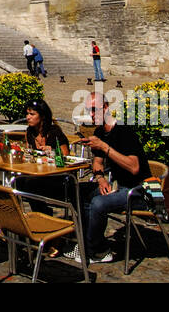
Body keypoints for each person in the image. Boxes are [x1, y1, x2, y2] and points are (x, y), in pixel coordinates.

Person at [62, 92, 151, 264]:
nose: (92, 114)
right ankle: (97, 245)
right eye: (89, 110)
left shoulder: (124, 131)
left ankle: (93, 249)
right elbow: (97, 163)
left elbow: (134, 167)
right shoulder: (100, 131)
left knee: (98, 203)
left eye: (95, 110)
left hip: (139, 190)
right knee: (77, 191)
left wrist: (104, 147)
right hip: (117, 185)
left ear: (106, 107)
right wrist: (100, 178)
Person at [17, 99, 75, 210]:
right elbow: (30, 153)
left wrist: (53, 151)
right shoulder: (30, 132)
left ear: (42, 116)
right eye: (27, 114)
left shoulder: (54, 132)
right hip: (40, 174)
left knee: (30, 183)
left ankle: (43, 213)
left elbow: (66, 158)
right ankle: (37, 213)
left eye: (32, 114)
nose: (28, 117)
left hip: (59, 178)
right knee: (18, 181)